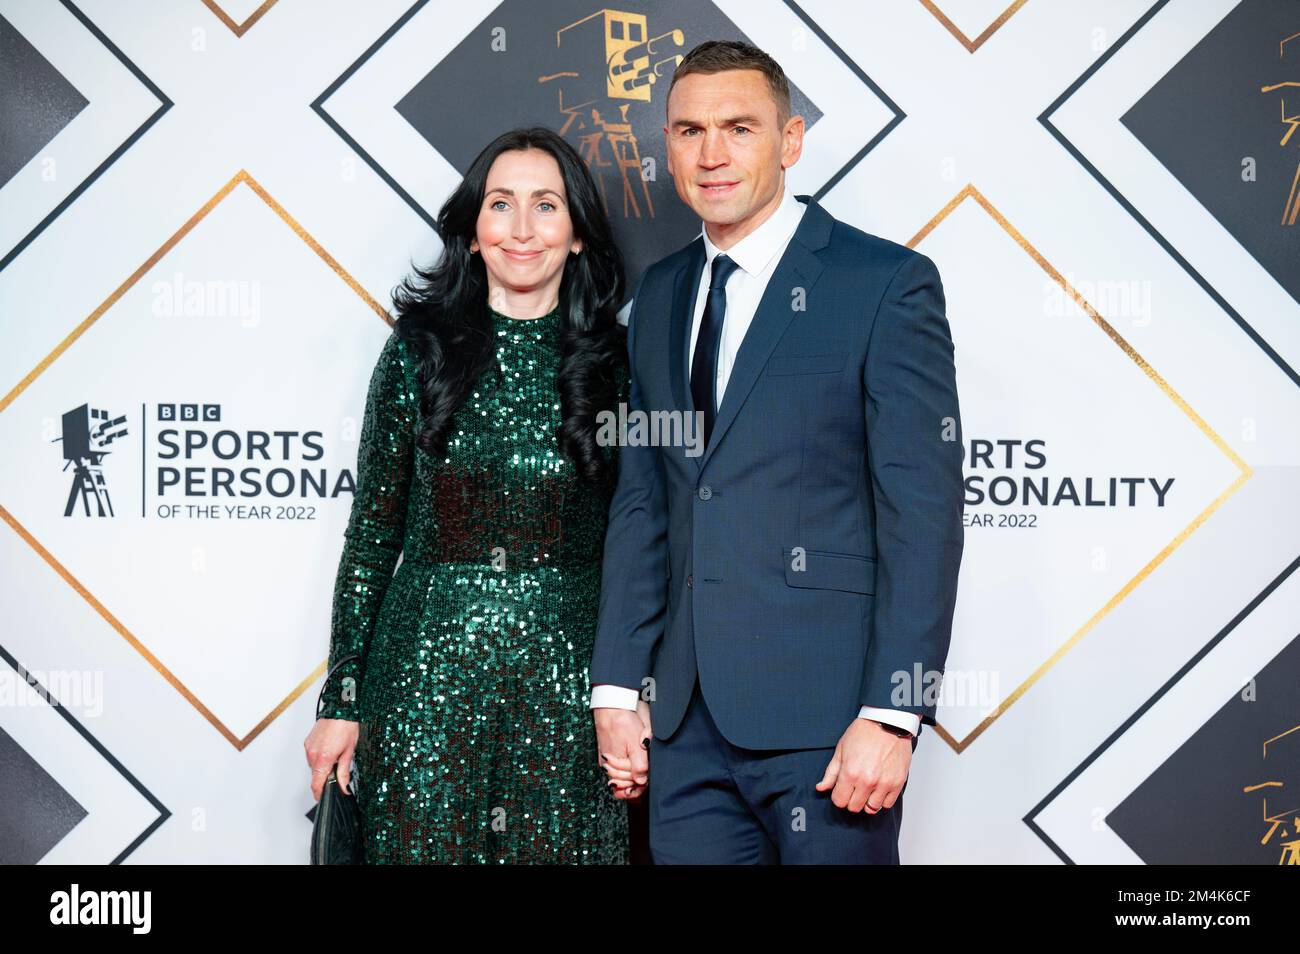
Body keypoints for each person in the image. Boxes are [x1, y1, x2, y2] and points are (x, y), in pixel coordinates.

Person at [590, 40, 965, 863]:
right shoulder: (659, 296)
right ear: (668, 147)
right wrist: (615, 684)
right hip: (682, 727)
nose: (712, 154)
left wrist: (894, 713)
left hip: (831, 726)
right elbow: (646, 498)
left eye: (739, 128)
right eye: (689, 131)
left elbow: (924, 514)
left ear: (791, 141)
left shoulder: (884, 283)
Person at [304, 126, 631, 864]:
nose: (522, 229)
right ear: (473, 232)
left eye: (546, 206)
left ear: (578, 234)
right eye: (501, 205)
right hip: (423, 686)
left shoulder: (617, 365)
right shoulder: (419, 352)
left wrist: (631, 692)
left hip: (567, 697)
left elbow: (641, 546)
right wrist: (342, 703)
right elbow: (371, 539)